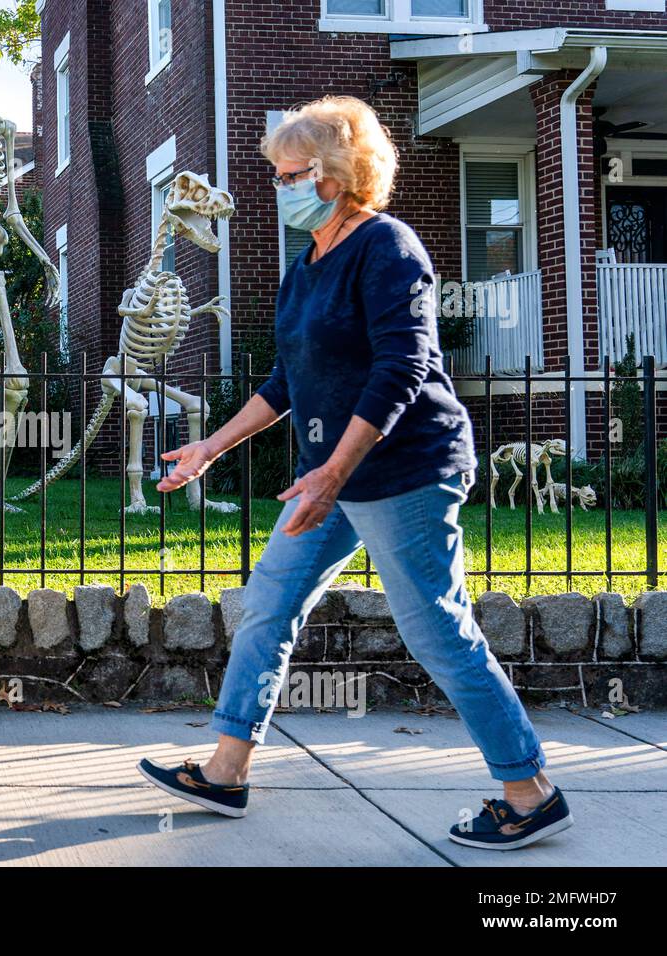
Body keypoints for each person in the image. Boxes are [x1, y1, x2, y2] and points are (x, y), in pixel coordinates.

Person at [138, 95, 572, 851]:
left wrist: (336, 470)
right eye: (275, 175)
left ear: (338, 176)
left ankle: (528, 789)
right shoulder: (305, 268)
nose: (277, 189)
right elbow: (287, 380)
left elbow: (404, 368)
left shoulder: (388, 248)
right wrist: (211, 445)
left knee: (436, 630)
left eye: (291, 175)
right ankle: (227, 771)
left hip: (402, 471)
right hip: (326, 480)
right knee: (269, 604)